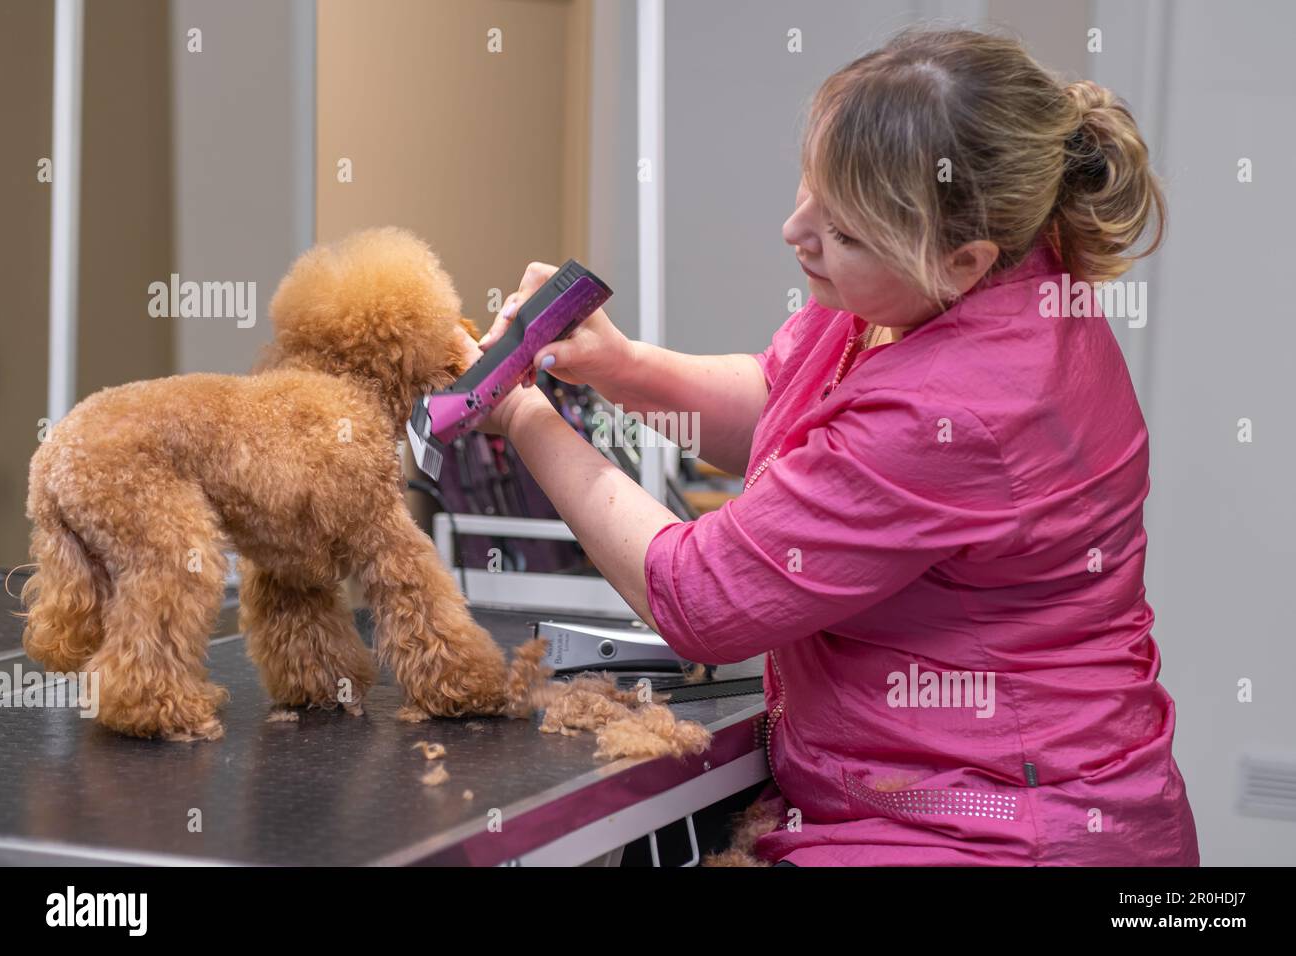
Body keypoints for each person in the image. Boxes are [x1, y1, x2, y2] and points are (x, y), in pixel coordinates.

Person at [458, 27, 1199, 866]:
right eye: (809, 191)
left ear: (963, 260)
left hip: (993, 828)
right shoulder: (951, 277)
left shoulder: (963, 403)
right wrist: (622, 370)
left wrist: (526, 420)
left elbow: (701, 596)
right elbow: (785, 400)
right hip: (923, 797)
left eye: (840, 230)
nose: (794, 230)